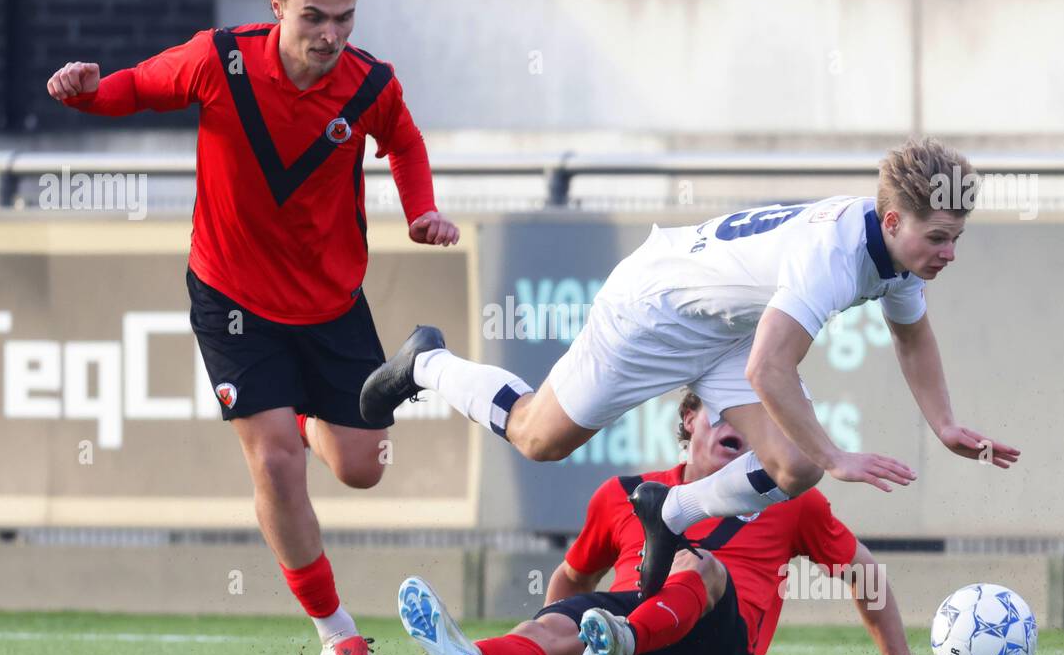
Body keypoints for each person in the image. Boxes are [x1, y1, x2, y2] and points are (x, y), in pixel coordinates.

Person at [46, 0, 460, 655]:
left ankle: (300, 411)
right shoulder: (220, 59)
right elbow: (137, 87)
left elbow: (403, 144)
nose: (331, 35)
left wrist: (421, 209)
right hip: (233, 296)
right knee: (274, 463)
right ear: (276, 4)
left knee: (363, 469)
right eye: (314, 17)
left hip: (331, 302)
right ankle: (338, 634)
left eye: (344, 19)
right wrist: (87, 91)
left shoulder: (371, 85)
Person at [363, 138, 1018, 597]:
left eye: (957, 236)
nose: (949, 252)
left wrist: (945, 424)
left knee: (795, 466)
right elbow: (770, 370)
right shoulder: (832, 256)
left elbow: (912, 337)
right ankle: (430, 362)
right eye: (939, 237)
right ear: (895, 219)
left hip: (726, 327)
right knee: (539, 438)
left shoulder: (900, 253)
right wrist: (841, 455)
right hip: (656, 311)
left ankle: (669, 513)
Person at [397, 391, 947, 655]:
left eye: (759, 416)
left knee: (699, 566)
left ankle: (620, 640)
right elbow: (572, 574)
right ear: (689, 418)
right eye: (728, 407)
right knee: (543, 630)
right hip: (627, 623)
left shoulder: (790, 497)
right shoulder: (623, 492)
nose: (745, 422)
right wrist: (556, 622)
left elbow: (861, 570)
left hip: (717, 645)